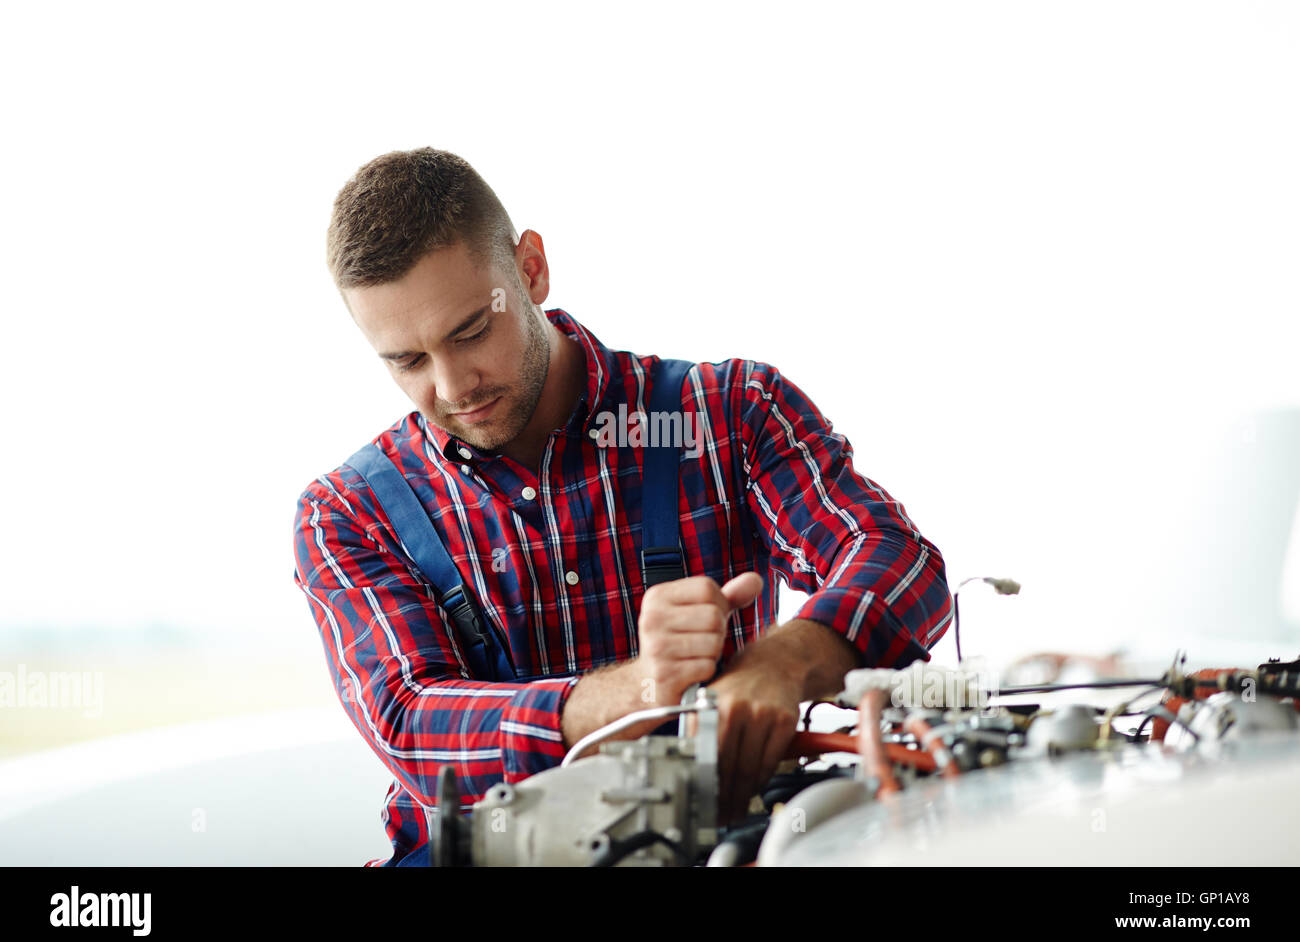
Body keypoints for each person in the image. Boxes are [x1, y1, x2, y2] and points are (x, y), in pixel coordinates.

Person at [291, 147, 954, 866]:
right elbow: (410, 723)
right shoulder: (348, 514)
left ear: (532, 270)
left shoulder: (729, 412)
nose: (453, 386)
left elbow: (898, 558)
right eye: (407, 362)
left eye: (471, 331)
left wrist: (781, 663)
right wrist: (642, 689)